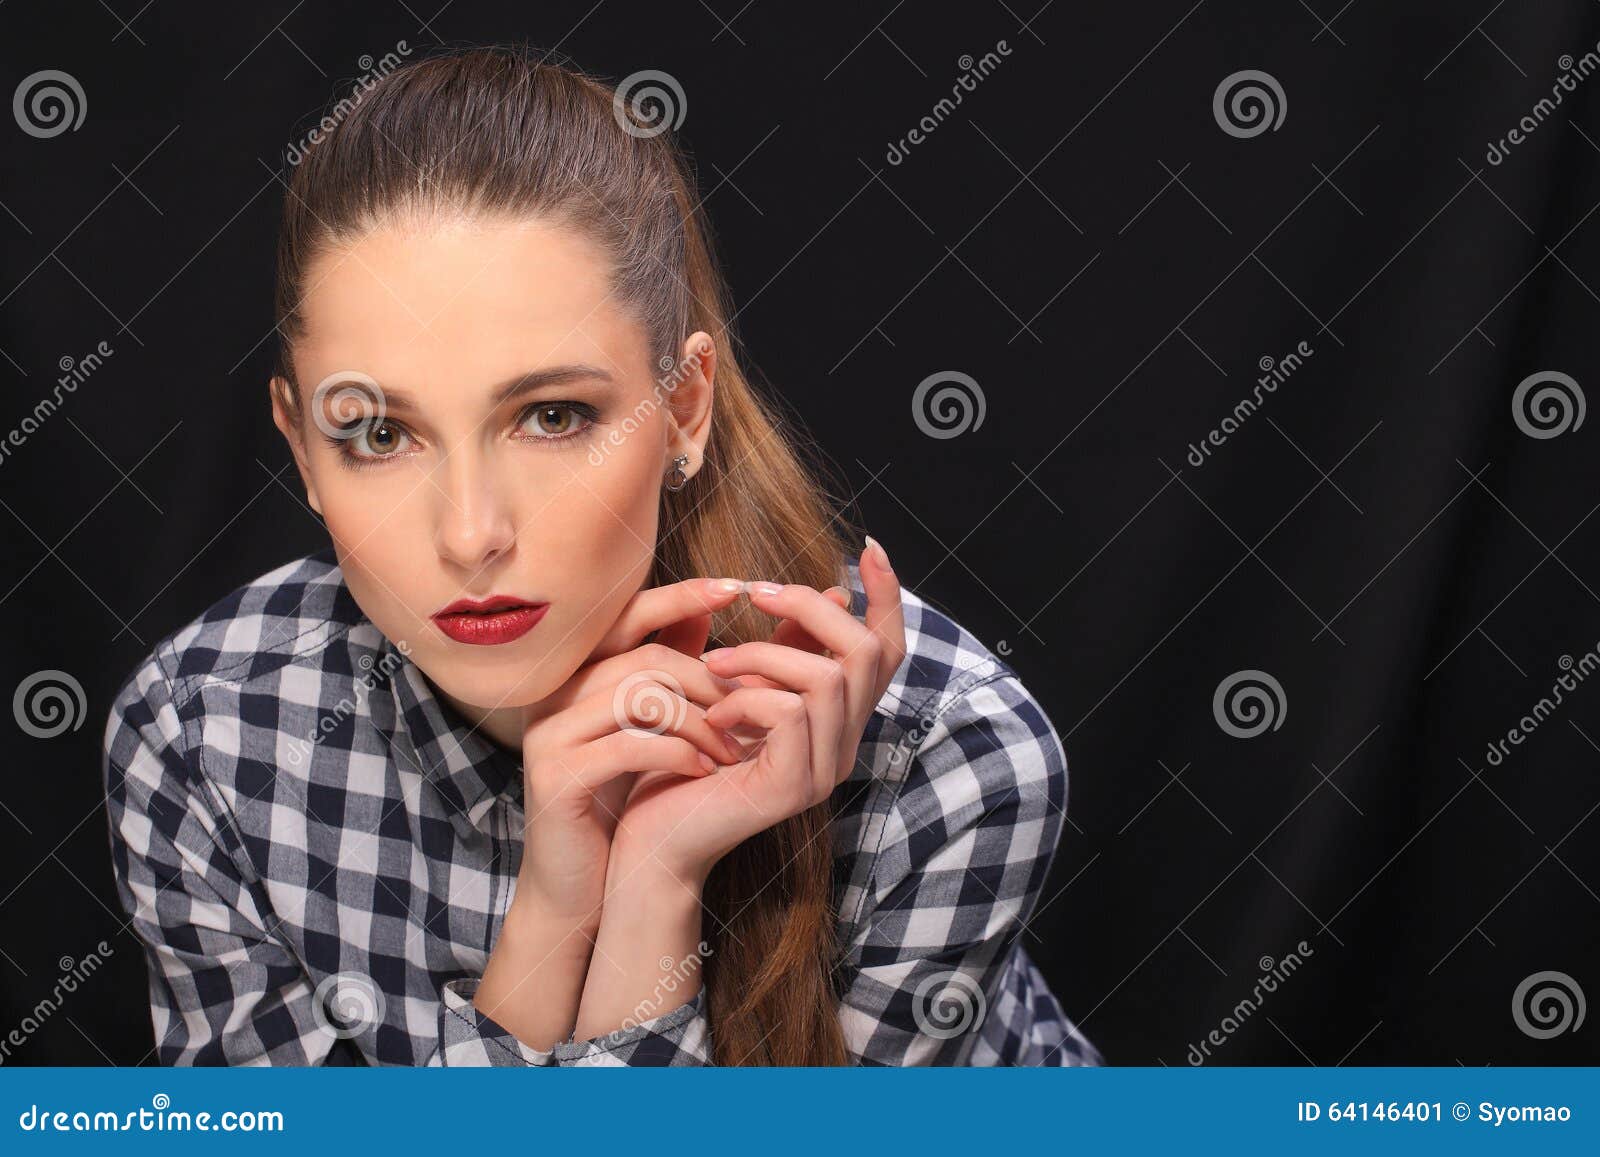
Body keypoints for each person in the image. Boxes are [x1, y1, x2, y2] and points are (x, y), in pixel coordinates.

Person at [101, 45, 1102, 1067]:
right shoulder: (208, 734)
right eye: (378, 433)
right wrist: (555, 901)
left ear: (682, 408)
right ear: (301, 449)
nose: (470, 532)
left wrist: (654, 878)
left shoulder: (944, 756)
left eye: (550, 415)